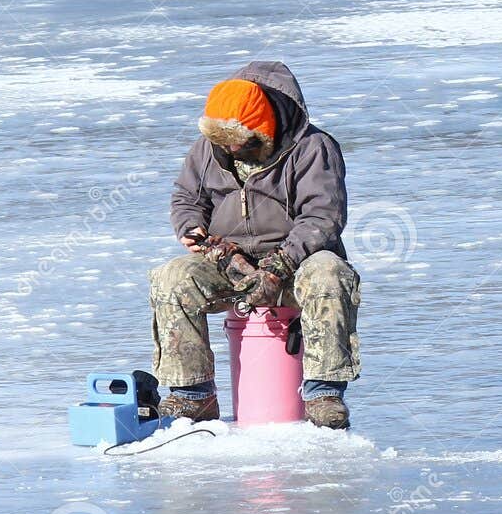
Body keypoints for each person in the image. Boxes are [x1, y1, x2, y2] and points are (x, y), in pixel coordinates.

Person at [148, 61, 360, 429]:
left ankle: (323, 392)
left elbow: (322, 217)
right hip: (227, 262)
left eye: (236, 140)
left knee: (330, 273)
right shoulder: (207, 149)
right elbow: (186, 197)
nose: (228, 148)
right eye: (220, 140)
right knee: (173, 277)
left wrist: (278, 267)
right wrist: (191, 227)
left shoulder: (313, 148)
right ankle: (193, 395)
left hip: (296, 262)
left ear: (261, 130)